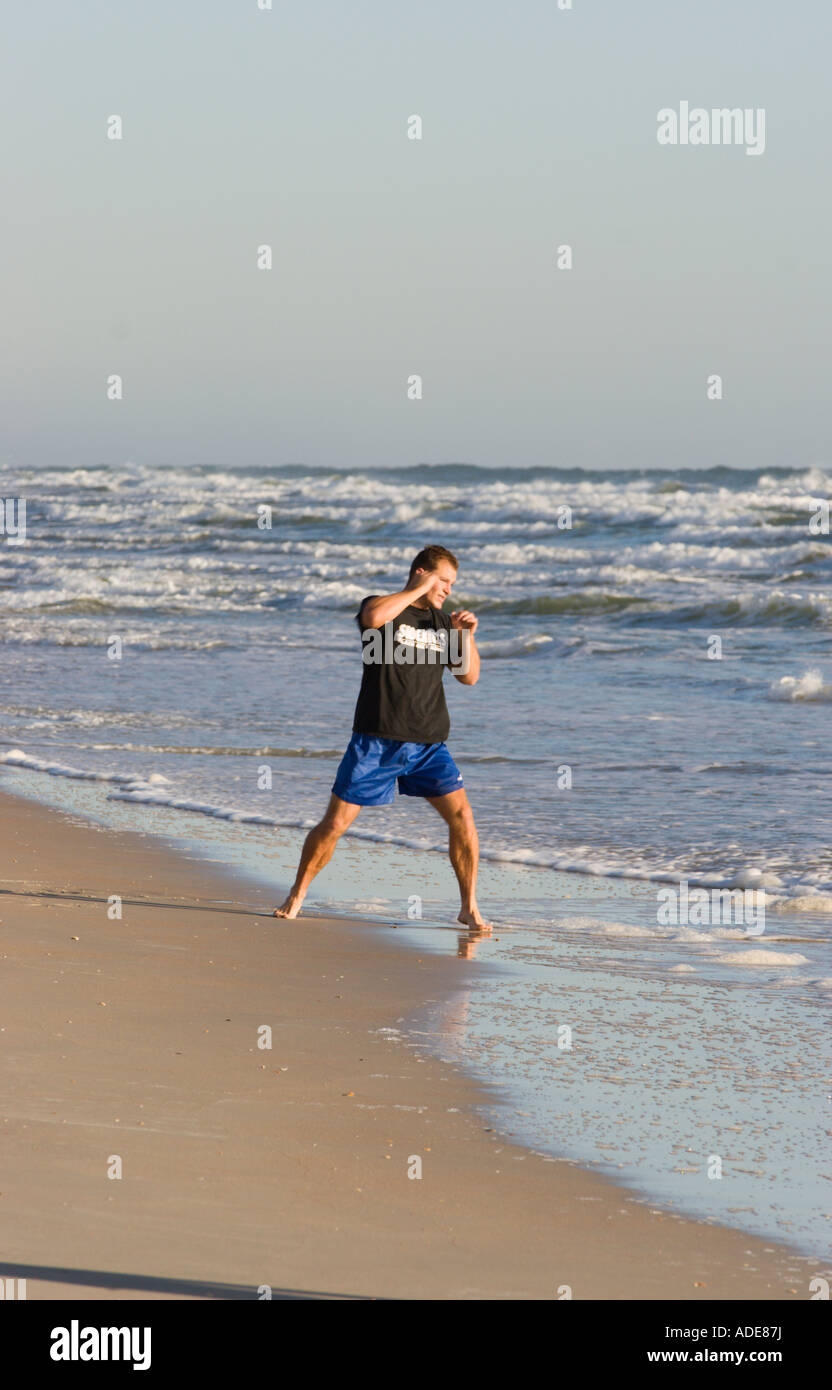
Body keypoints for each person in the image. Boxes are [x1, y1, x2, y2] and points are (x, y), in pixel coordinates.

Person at [273, 544, 490, 928]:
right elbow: (373, 618)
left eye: (452, 584)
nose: (448, 590)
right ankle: (298, 894)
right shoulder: (381, 606)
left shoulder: (442, 623)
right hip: (376, 740)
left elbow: (467, 676)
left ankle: (468, 906)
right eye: (444, 580)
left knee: (464, 819)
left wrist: (466, 636)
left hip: (428, 744)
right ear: (422, 573)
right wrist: (419, 590)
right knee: (336, 824)